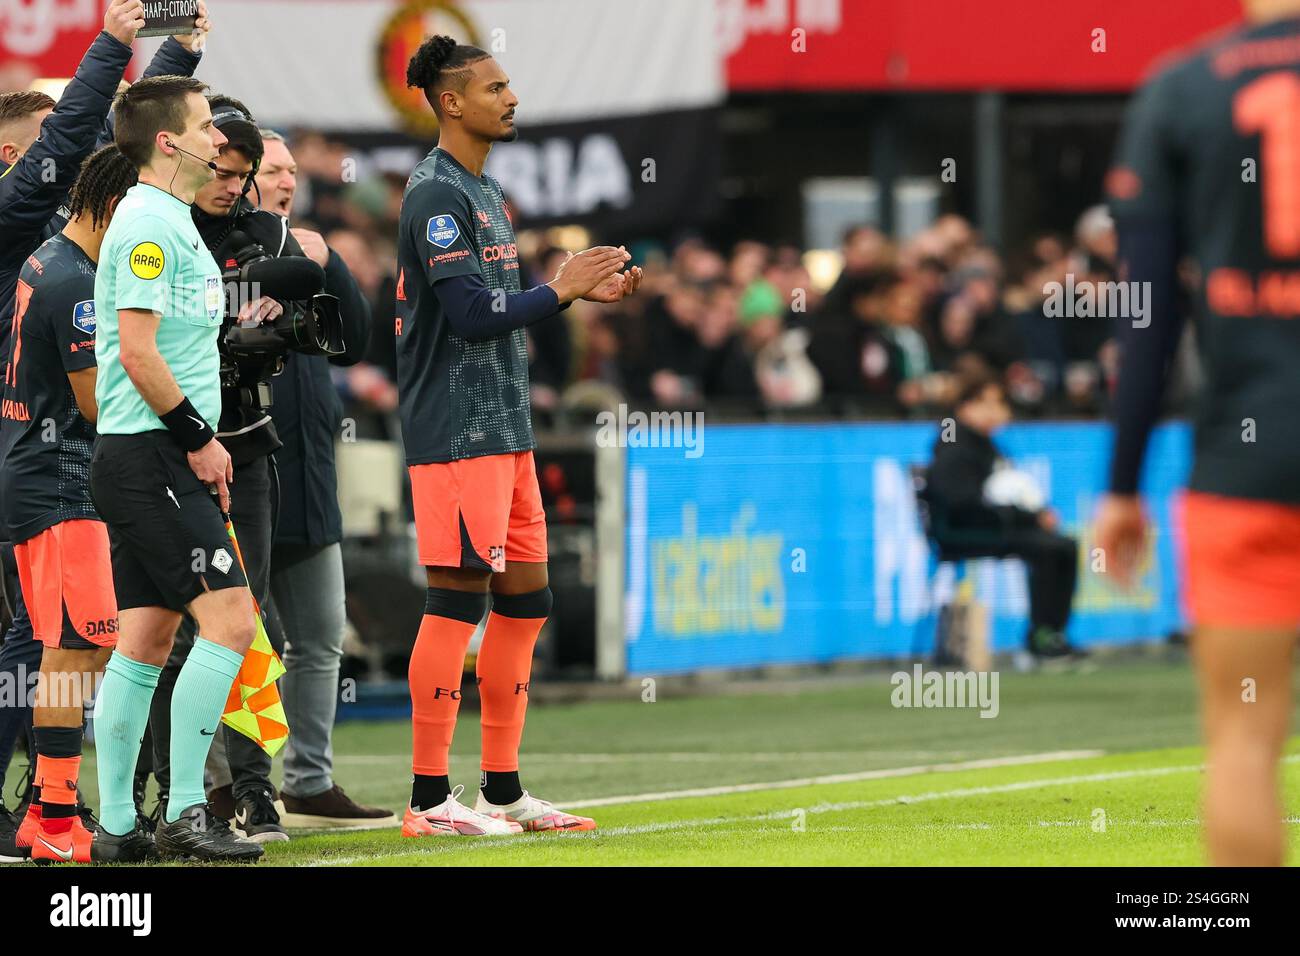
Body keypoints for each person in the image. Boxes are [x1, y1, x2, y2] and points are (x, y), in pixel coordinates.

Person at [396, 35, 641, 836]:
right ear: (451, 100)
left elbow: (505, 309)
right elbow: (468, 317)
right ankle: (429, 798)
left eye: (510, 85)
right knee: (455, 606)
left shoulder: (487, 191)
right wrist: (558, 290)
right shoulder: (435, 194)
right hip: (456, 433)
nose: (512, 97)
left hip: (506, 429)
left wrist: (575, 296)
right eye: (495, 86)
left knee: (526, 604)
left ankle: (503, 790)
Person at [1094, 0, 1300, 867]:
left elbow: (1146, 319)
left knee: (1245, 741)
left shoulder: (1179, 90)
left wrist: (1120, 484)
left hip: (1243, 458)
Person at [0, 0, 209, 840]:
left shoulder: (56, 241)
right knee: (58, 640)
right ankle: (54, 808)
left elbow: (119, 149)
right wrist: (115, 41)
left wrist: (178, 56)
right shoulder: (33, 233)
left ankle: (52, 807)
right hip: (50, 456)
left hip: (39, 452)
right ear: (15, 160)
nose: (69, 161)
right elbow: (82, 149)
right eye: (48, 148)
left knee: (57, 637)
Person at [88, 74, 270, 863]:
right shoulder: (150, 227)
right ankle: (189, 812)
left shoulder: (168, 219)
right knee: (229, 622)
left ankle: (119, 831)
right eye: (203, 126)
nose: (214, 139)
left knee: (145, 643)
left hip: (140, 456)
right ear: (169, 141)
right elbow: (135, 351)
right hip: (153, 453)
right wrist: (199, 435)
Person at [250, 130, 395, 830]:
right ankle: (229, 788)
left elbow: (358, 340)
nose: (286, 180)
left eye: (288, 170)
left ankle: (308, 781)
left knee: (321, 637)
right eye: (271, 169)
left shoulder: (308, 245)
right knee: (240, 643)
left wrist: (330, 260)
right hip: (243, 473)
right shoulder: (212, 248)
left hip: (308, 473)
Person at [0, 146, 137, 864]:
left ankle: (50, 816)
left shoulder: (49, 260)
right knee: (75, 646)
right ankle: (53, 820)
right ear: (113, 208)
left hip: (41, 474)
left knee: (77, 644)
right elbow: (92, 402)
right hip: (59, 478)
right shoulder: (77, 284)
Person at [924, 374, 1079, 659]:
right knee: (1049, 548)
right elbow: (963, 503)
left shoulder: (986, 445)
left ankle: (1050, 633)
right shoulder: (955, 444)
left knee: (1062, 546)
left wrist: (1031, 515)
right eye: (991, 402)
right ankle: (1043, 636)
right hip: (965, 533)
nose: (999, 411)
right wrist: (1025, 518)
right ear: (967, 406)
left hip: (992, 527)